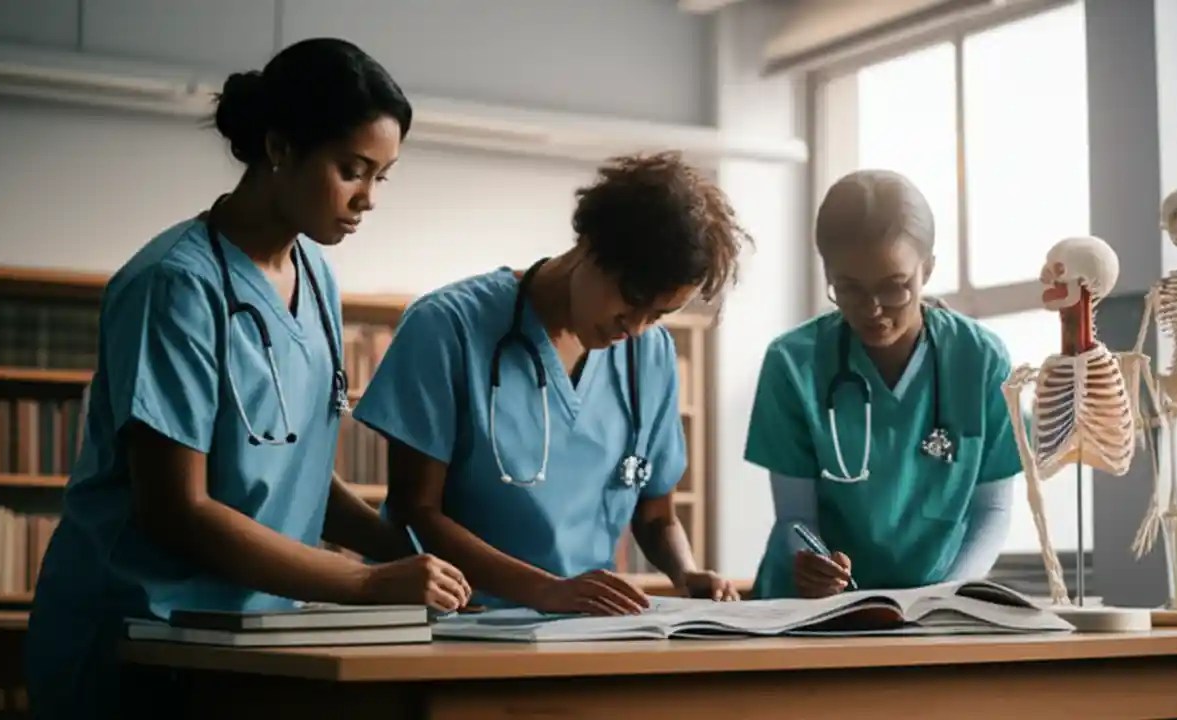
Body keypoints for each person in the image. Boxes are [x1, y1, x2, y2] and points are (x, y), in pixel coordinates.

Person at [25, 38, 470, 718]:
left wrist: (405, 549)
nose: (369, 199)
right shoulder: (175, 284)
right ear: (281, 148)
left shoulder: (316, 277)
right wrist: (369, 579)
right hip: (137, 636)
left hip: (250, 639)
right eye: (353, 169)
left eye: (383, 177)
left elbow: (294, 465)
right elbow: (178, 510)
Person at [352, 152, 750, 613]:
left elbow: (656, 515)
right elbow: (414, 512)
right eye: (632, 300)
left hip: (583, 628)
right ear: (591, 245)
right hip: (453, 625)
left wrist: (686, 572)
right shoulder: (446, 328)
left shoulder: (651, 354)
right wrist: (543, 589)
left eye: (659, 314)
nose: (636, 328)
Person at [745, 169, 1021, 599]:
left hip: (933, 607)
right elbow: (796, 517)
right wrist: (813, 561)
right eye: (849, 289)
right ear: (828, 273)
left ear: (927, 269)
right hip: (806, 612)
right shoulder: (793, 363)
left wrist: (945, 597)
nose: (873, 310)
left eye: (895, 288)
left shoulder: (980, 361)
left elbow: (993, 508)